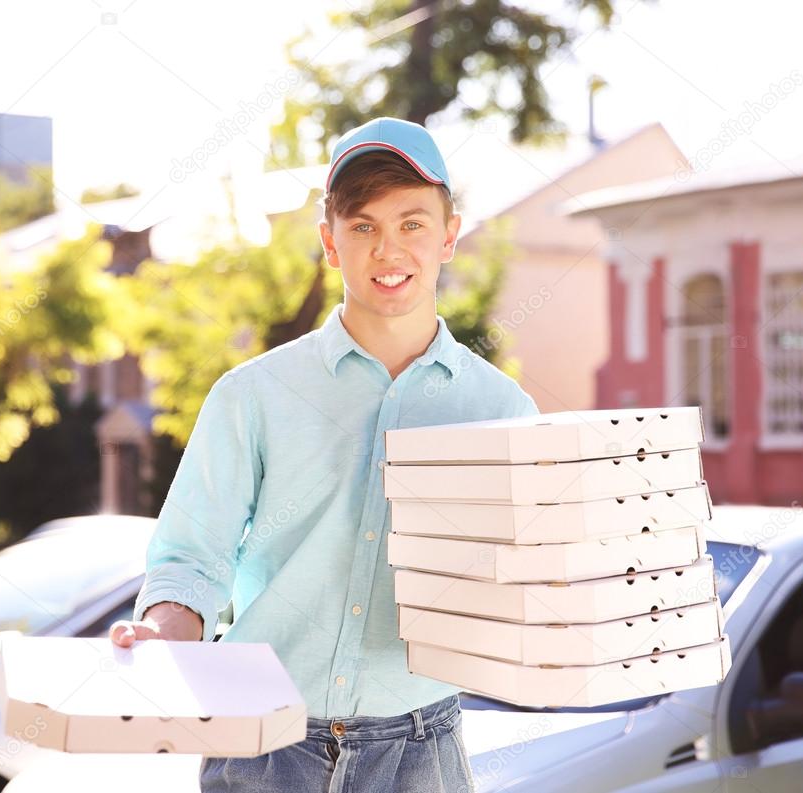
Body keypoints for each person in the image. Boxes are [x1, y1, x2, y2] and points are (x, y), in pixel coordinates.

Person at [109, 116, 539, 792]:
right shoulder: (252, 395)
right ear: (329, 243)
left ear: (450, 235)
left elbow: (529, 583)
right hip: (261, 741)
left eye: (412, 223)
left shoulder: (504, 412)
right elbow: (192, 558)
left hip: (421, 753)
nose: (387, 249)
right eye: (362, 225)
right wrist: (165, 634)